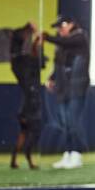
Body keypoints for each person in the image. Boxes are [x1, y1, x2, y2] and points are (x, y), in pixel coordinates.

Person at [45, 14, 90, 169]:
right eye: (57, 27)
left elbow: (66, 42)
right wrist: (51, 78)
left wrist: (47, 37)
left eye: (62, 25)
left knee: (73, 121)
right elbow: (58, 63)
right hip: (63, 88)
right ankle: (68, 153)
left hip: (76, 87)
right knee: (65, 123)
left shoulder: (80, 37)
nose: (59, 29)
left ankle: (77, 155)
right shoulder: (62, 44)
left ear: (71, 24)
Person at [9, 23, 46, 170]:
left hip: (25, 107)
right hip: (31, 106)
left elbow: (21, 48)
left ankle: (15, 160)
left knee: (24, 133)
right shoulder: (30, 65)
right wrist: (38, 41)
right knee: (33, 133)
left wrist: (31, 32)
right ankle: (29, 160)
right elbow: (38, 58)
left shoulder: (19, 65)